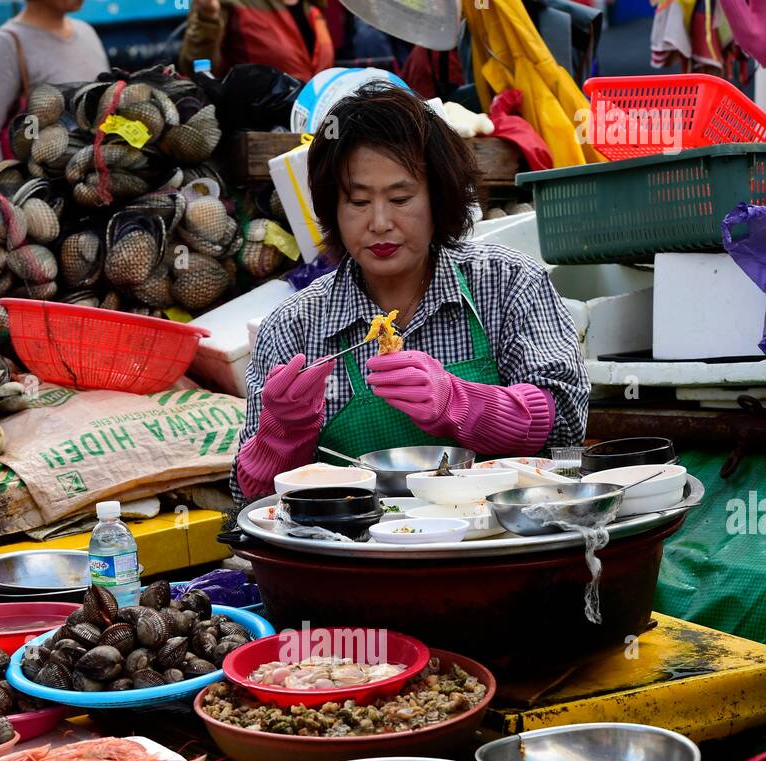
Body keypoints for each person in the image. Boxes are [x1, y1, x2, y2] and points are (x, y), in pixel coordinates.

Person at [231, 85, 588, 505]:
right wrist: (282, 432)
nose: (380, 222)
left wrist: (458, 401)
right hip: (359, 555)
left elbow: (567, 426)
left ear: (439, 198)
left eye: (400, 198)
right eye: (358, 202)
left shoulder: (507, 283)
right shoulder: (294, 328)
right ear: (332, 209)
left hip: (504, 541)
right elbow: (250, 498)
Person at [0, 0, 108, 176]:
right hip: (43, 192)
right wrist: (3, 195)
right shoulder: (6, 44)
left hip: (95, 184)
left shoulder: (87, 33)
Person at [179, 0, 334, 84]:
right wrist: (207, 18)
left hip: (316, 124)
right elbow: (198, 69)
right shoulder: (228, 4)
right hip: (262, 131)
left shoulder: (314, 5)